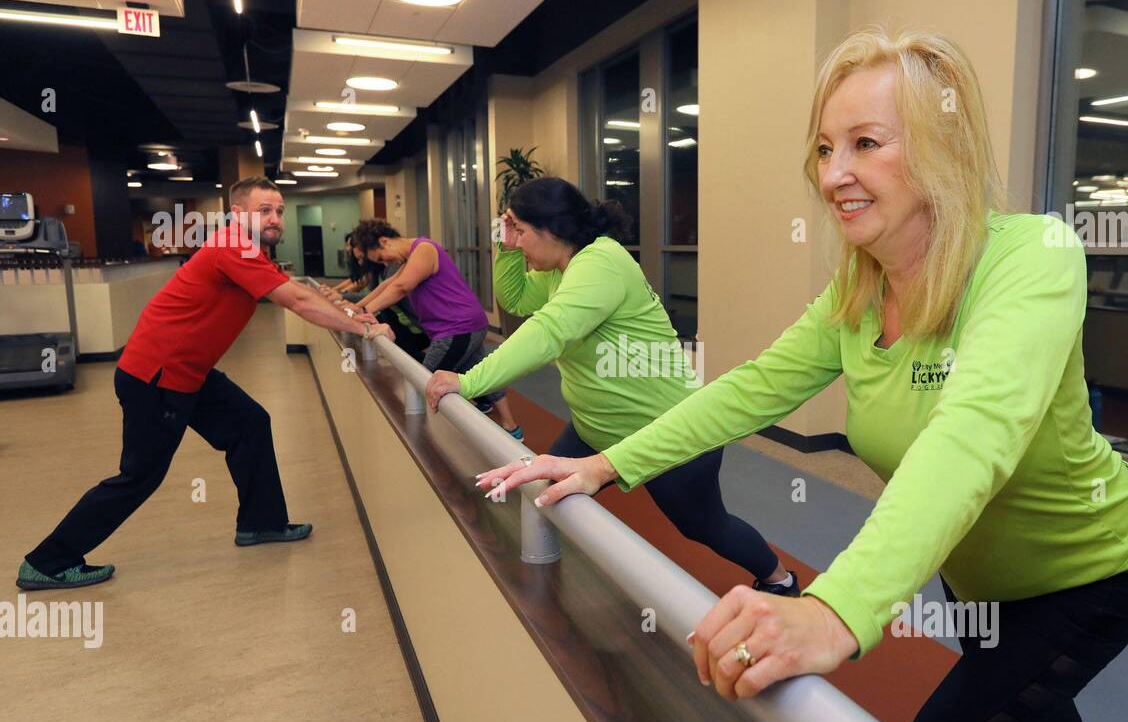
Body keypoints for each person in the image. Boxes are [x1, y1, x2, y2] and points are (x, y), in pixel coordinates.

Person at [472, 28, 1128, 722]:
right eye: (823, 148)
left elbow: (973, 435)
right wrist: (605, 464)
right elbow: (750, 389)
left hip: (1095, 571)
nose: (834, 174)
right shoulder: (860, 289)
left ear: (945, 148)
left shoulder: (1033, 255)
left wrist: (835, 608)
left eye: (866, 143)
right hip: (982, 577)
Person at [17, 176, 395, 592]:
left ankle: (262, 523)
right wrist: (364, 329)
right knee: (139, 476)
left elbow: (292, 289)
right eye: (264, 211)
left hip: (188, 372)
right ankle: (47, 562)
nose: (274, 218)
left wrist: (352, 314)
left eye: (279, 211)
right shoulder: (234, 247)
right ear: (238, 214)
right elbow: (297, 300)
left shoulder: (248, 250)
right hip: (158, 375)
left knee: (249, 423)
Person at [424, 177, 797, 595]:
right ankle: (542, 590)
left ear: (551, 229)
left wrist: (469, 381)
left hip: (669, 430)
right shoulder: (559, 270)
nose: (518, 241)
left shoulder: (601, 263)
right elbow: (515, 299)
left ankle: (780, 579)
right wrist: (506, 245)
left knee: (704, 527)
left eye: (521, 231)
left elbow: (549, 333)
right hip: (594, 428)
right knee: (545, 492)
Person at [348, 220, 523, 440]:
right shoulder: (411, 258)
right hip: (468, 324)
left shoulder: (424, 249)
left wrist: (367, 311)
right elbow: (387, 285)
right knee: (478, 370)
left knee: (422, 380)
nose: (385, 263)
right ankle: (511, 427)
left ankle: (421, 438)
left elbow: (402, 287)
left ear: (385, 241)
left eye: (382, 258)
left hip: (457, 328)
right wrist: (357, 308)